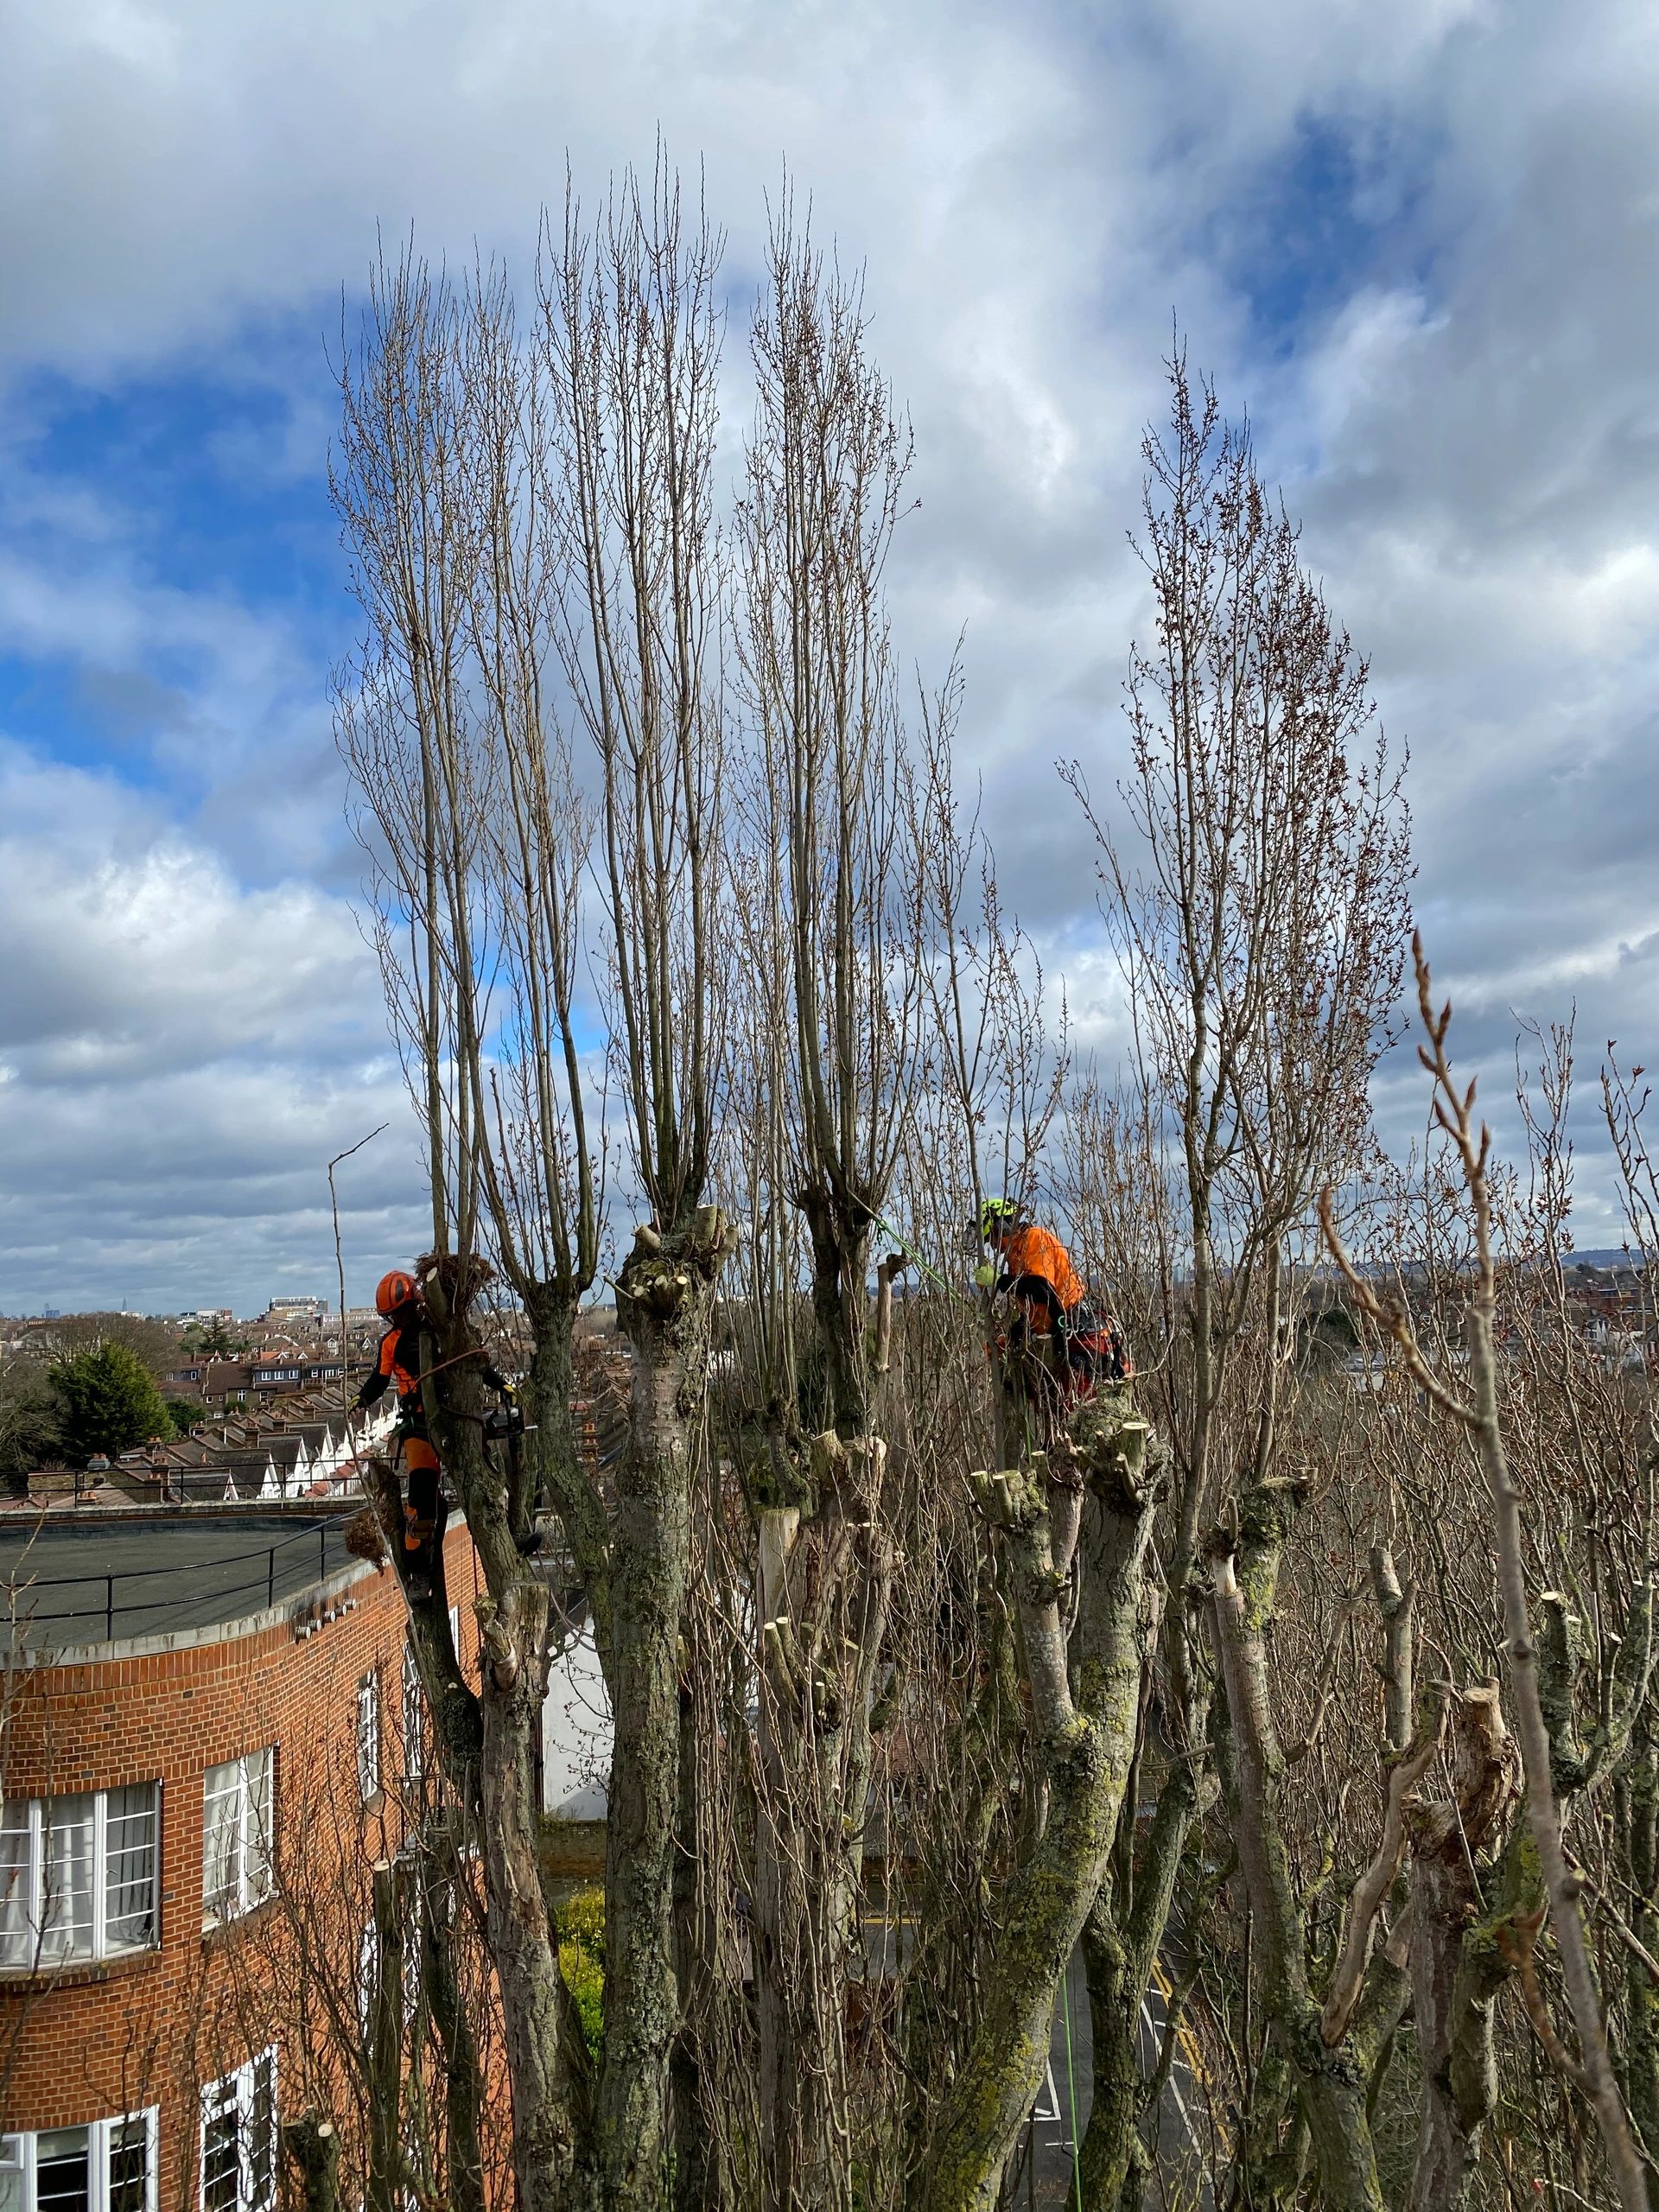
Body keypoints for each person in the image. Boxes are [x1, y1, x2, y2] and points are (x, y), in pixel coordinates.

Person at [353, 1268, 512, 1593]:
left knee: (485, 1480)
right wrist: (363, 1397)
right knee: (422, 1496)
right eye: (393, 1316)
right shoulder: (391, 1344)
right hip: (419, 1423)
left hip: (454, 1417)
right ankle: (418, 1572)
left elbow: (473, 1364)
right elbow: (380, 1379)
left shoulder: (441, 1331)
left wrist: (500, 1384)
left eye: (401, 1312)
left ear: (415, 1304)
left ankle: (511, 1537)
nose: (399, 1320)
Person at [973, 1198, 1129, 1407]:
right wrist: (1010, 1338)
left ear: (1002, 1226)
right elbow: (1034, 1310)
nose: (993, 1246)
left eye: (992, 1237)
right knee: (1054, 1404)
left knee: (1081, 1409)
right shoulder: (1016, 1255)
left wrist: (999, 1281)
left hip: (1081, 1334)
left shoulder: (1035, 1239)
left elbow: (1042, 1290)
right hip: (1062, 1339)